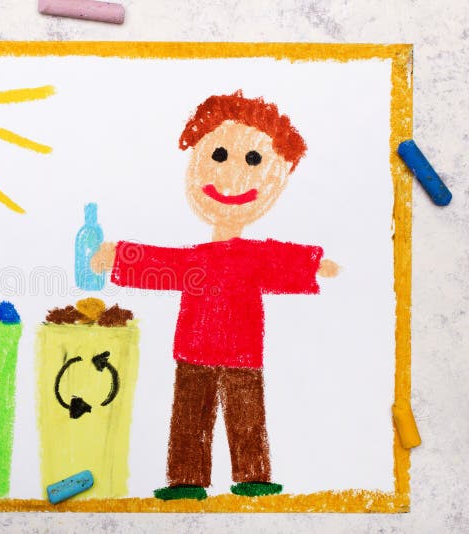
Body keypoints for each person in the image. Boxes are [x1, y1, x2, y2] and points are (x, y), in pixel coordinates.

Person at [90, 91, 339, 500]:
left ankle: (253, 474)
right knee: (190, 418)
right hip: (194, 351)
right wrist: (117, 255)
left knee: (247, 416)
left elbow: (282, 262)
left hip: (243, 351)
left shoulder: (254, 257)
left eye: (253, 159)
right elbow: (161, 263)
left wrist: (315, 265)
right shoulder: (196, 260)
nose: (231, 175)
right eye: (219, 155)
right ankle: (186, 479)